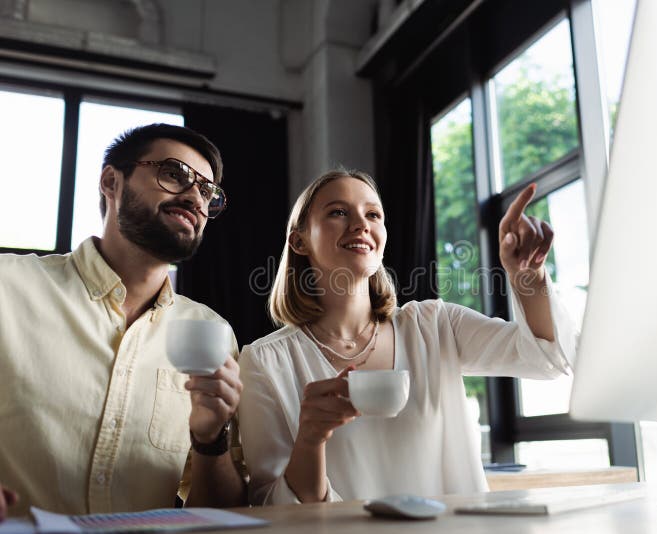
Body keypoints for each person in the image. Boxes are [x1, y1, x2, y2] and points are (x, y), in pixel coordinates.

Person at [238, 168, 578, 505]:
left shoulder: (435, 325)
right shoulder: (264, 362)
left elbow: (548, 360)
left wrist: (528, 275)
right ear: (299, 240)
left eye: (373, 213)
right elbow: (271, 506)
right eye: (338, 212)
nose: (361, 224)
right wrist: (309, 440)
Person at [0, 124, 247, 520]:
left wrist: (210, 439)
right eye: (174, 174)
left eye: (207, 191)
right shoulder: (8, 287)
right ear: (111, 182)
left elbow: (221, 516)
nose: (194, 197)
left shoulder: (212, 332)